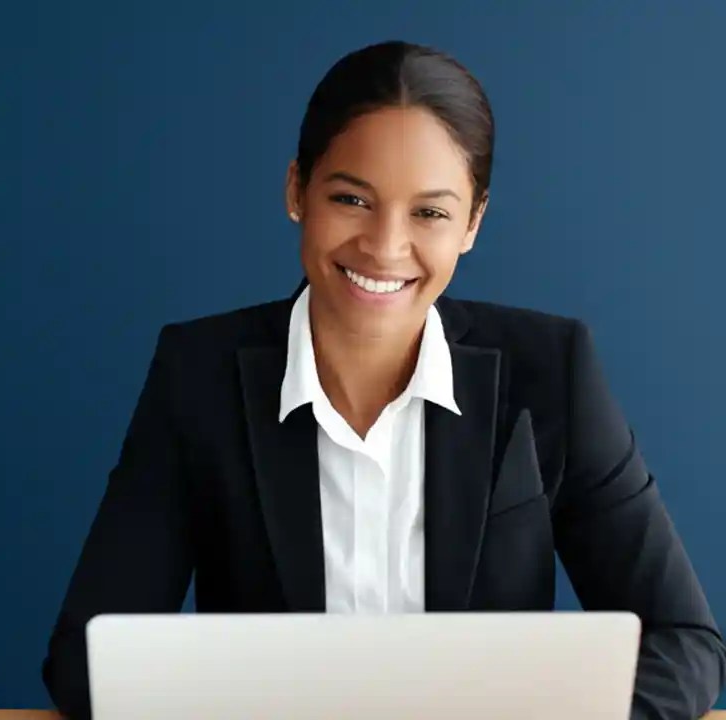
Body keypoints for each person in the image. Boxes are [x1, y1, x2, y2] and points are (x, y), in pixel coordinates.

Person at [41, 40, 726, 720]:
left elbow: (687, 646)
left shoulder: (553, 371)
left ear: (472, 224)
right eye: (352, 199)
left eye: (429, 212)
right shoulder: (198, 374)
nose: (385, 246)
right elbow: (85, 660)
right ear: (295, 191)